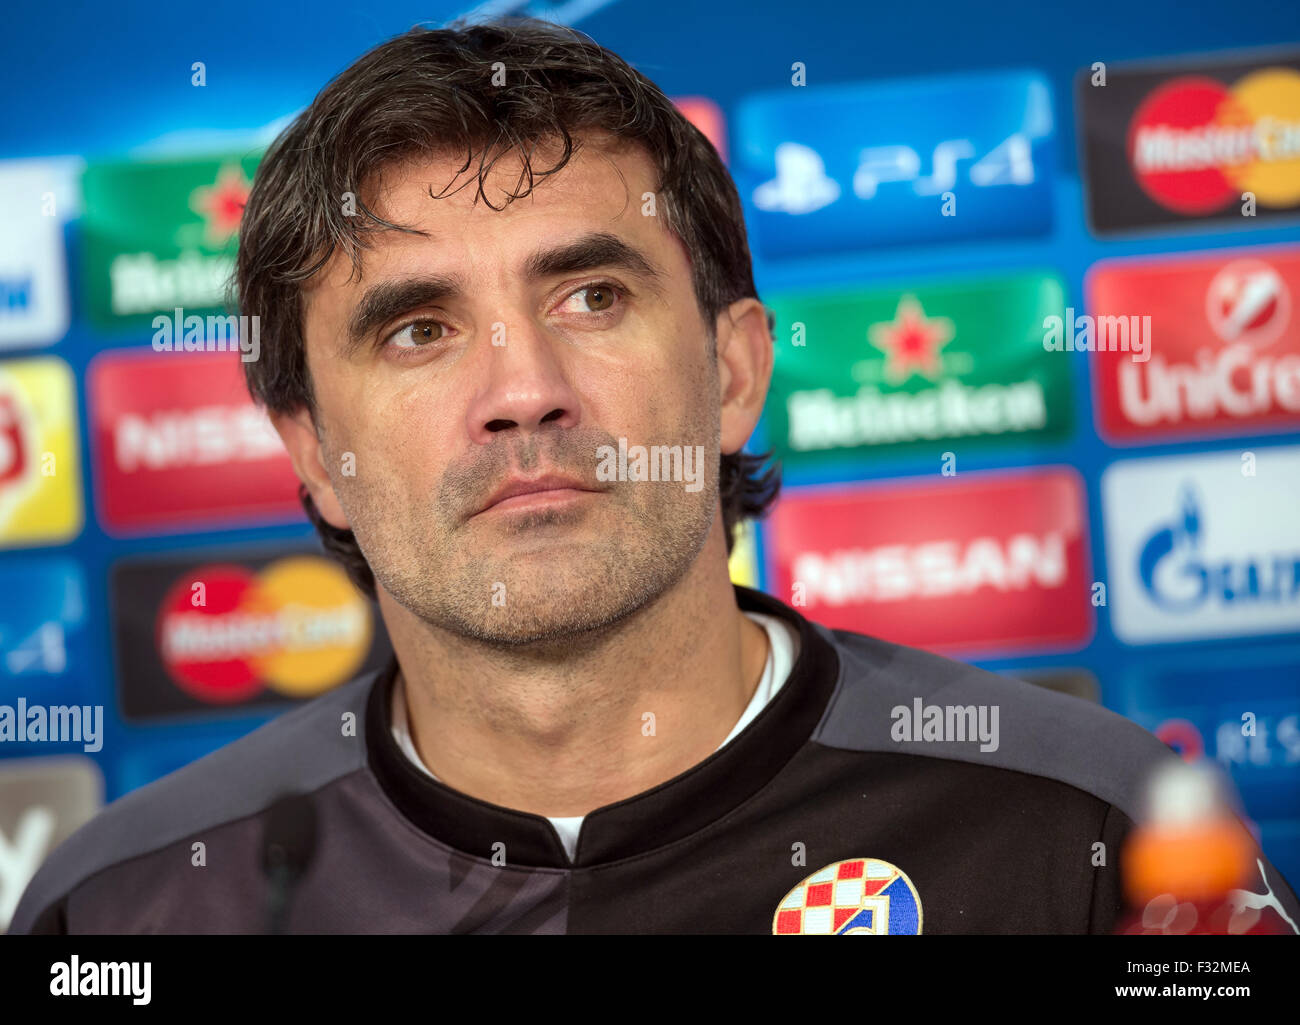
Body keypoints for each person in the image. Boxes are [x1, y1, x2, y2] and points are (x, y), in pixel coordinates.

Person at [11, 17, 1298, 935]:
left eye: (590, 293)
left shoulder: (1090, 830)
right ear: (312, 450)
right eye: (418, 328)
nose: (523, 390)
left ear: (733, 369)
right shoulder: (125, 905)